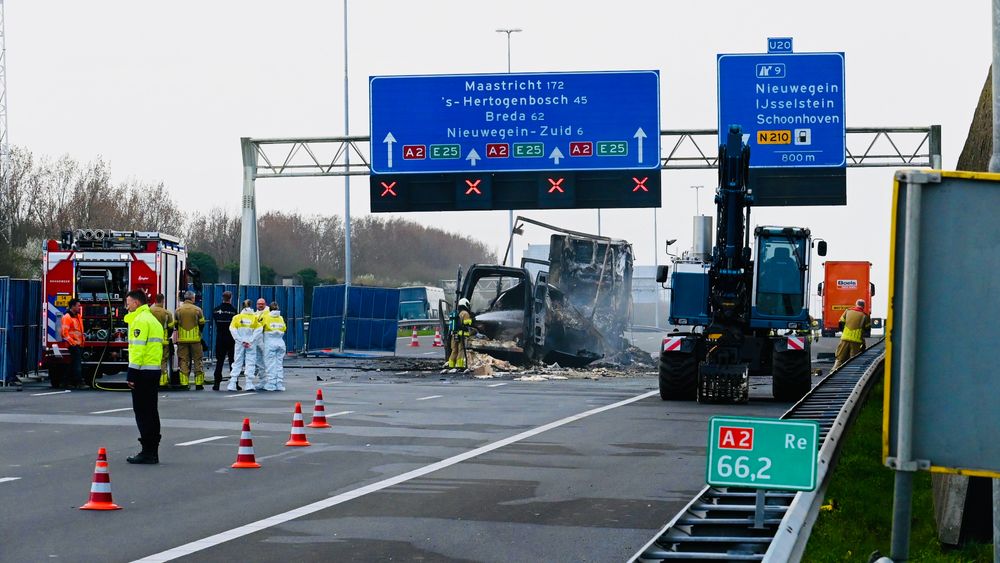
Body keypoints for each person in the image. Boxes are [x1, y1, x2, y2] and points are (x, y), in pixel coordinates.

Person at [124, 289, 164, 464]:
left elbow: (138, 350)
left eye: (128, 303)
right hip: (153, 370)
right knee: (151, 411)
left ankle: (147, 451)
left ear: (136, 303)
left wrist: (131, 373)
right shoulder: (152, 320)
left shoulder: (140, 321)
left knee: (142, 412)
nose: (127, 306)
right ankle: (152, 450)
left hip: (142, 372)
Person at [174, 291, 206, 390]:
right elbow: (202, 323)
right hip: (195, 339)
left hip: (182, 340)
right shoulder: (197, 310)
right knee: (197, 360)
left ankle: (184, 383)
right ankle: (199, 384)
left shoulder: (178, 310)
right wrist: (199, 332)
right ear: (192, 298)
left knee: (183, 360)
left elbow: (175, 324)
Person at [227, 300, 262, 392]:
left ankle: (232, 383)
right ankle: (249, 383)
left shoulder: (237, 317)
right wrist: (251, 340)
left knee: (237, 362)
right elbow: (259, 330)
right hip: (251, 344)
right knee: (250, 362)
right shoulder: (255, 318)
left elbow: (232, 329)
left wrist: (240, 340)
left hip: (240, 344)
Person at [211, 291, 238, 391]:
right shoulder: (234, 311)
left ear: (222, 298)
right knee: (232, 361)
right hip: (231, 338)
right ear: (231, 298)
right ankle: (235, 383)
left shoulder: (216, 310)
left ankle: (216, 383)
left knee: (220, 361)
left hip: (220, 337)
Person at [834, 298, 871, 369]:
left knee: (840, 358)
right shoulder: (865, 315)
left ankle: (833, 371)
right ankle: (851, 373)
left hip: (845, 339)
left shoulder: (848, 311)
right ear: (863, 306)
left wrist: (844, 331)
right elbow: (867, 329)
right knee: (853, 360)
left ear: (856, 304)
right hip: (856, 341)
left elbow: (840, 322)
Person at [148, 294, 175, 388]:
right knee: (163, 360)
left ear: (155, 301)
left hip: (150, 341)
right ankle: (163, 381)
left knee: (151, 360)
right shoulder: (167, 313)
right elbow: (171, 327)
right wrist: (167, 336)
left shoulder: (149, 311)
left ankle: (151, 381)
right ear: (163, 301)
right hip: (163, 341)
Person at [59, 298, 85, 389]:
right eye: (78, 306)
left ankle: (65, 382)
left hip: (78, 344)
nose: (79, 307)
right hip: (73, 345)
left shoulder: (78, 316)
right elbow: (64, 333)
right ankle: (79, 382)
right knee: (77, 365)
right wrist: (73, 343)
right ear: (73, 306)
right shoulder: (67, 317)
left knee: (72, 364)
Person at [262, 300, 287, 391]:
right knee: (279, 364)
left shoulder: (266, 317)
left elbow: (261, 327)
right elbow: (284, 328)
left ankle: (271, 384)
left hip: (270, 342)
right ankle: (279, 383)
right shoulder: (281, 318)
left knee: (270, 364)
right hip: (280, 342)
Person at [446, 298, 474, 369]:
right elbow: (466, 323)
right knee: (461, 350)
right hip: (462, 334)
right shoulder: (465, 313)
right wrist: (472, 320)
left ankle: (451, 366)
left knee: (454, 350)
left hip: (454, 334)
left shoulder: (457, 312)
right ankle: (460, 366)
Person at [253, 298, 269, 383]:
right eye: (259, 304)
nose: (260, 305)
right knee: (259, 360)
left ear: (265, 304)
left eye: (262, 304)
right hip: (257, 339)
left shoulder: (268, 313)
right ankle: (262, 380)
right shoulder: (255, 314)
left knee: (266, 359)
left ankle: (269, 379)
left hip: (266, 339)